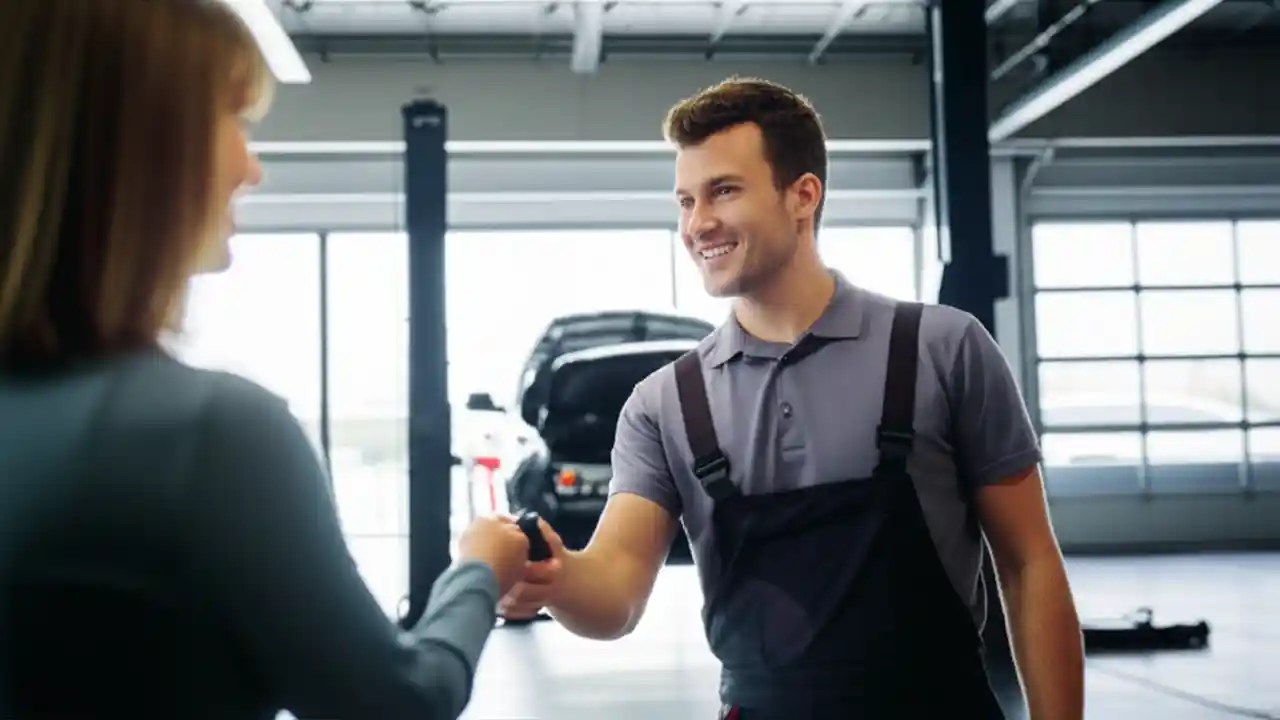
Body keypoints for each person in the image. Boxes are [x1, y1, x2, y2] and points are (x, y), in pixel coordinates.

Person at [0, 2, 528, 718]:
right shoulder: (200, 435)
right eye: (236, 121)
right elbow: (398, 706)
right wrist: (478, 571)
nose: (252, 169)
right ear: (138, 145)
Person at [500, 78, 1085, 718]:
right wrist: (555, 580)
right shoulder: (664, 404)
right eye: (685, 201)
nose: (699, 224)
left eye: (724, 190)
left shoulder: (943, 349)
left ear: (803, 195)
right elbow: (615, 594)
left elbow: (1029, 564)